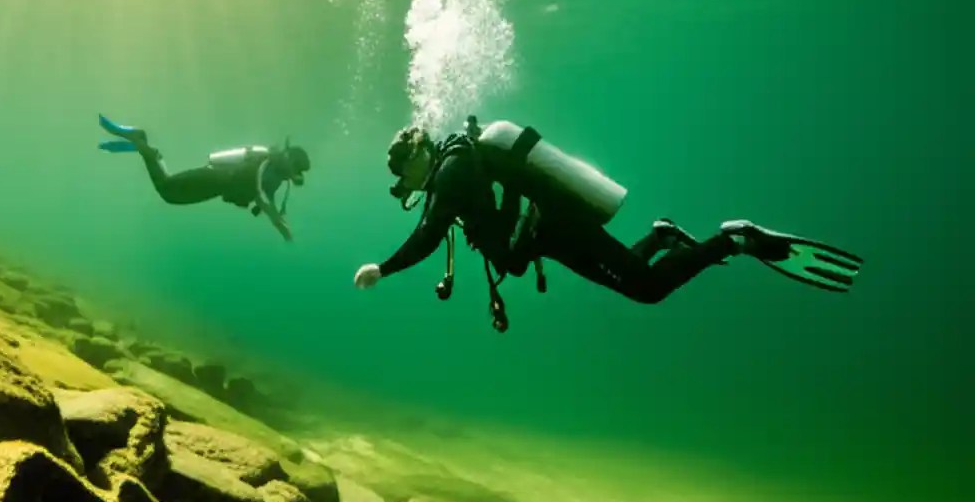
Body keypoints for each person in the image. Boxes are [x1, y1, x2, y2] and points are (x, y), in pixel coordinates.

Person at [353, 116, 863, 331]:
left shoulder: (453, 169)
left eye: (402, 168)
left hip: (555, 226)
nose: (402, 180)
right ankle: (661, 234)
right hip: (546, 236)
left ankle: (733, 240)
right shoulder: (454, 167)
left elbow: (428, 235)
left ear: (420, 152)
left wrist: (384, 266)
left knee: (648, 289)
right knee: (631, 285)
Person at [97, 114, 309, 242]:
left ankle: (145, 149)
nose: (297, 177)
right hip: (213, 179)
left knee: (169, 192)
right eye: (298, 170)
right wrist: (284, 231)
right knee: (166, 189)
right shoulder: (268, 164)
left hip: (213, 186)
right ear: (291, 162)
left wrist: (280, 220)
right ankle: (139, 138)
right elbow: (262, 196)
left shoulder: (276, 175)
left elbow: (266, 198)